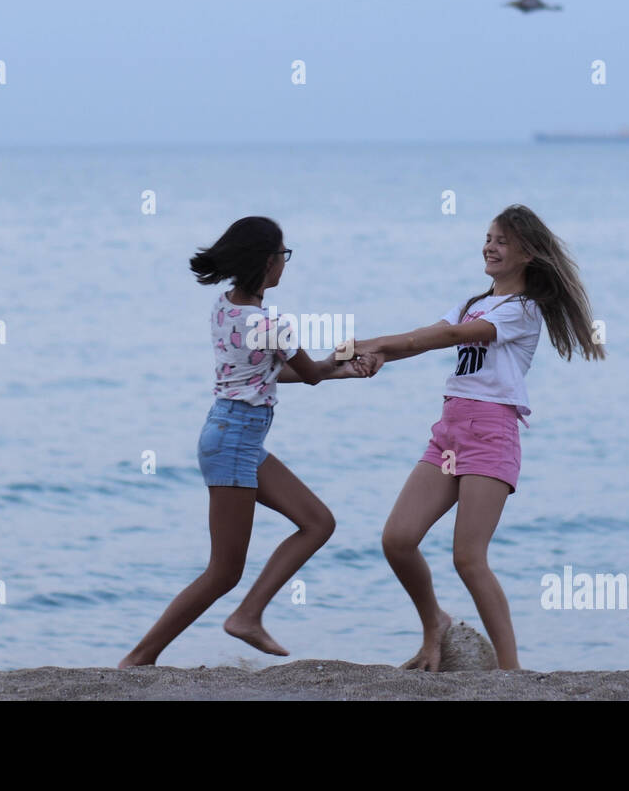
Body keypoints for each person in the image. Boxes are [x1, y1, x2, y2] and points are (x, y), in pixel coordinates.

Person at [119, 216, 381, 668]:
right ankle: (141, 658)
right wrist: (348, 353)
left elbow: (270, 374)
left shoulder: (224, 307)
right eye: (284, 254)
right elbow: (312, 374)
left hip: (231, 434)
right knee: (223, 571)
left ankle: (248, 615)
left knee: (317, 522)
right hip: (235, 440)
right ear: (266, 261)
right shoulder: (269, 322)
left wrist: (342, 370)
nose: (286, 262)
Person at [352, 204, 604, 671]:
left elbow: (450, 337)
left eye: (502, 241)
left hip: (491, 433)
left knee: (468, 558)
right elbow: (428, 335)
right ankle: (435, 623)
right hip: (449, 430)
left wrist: (375, 343)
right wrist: (380, 354)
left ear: (528, 254)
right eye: (489, 238)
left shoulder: (523, 310)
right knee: (397, 539)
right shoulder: (474, 303)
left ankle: (510, 672)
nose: (490, 246)